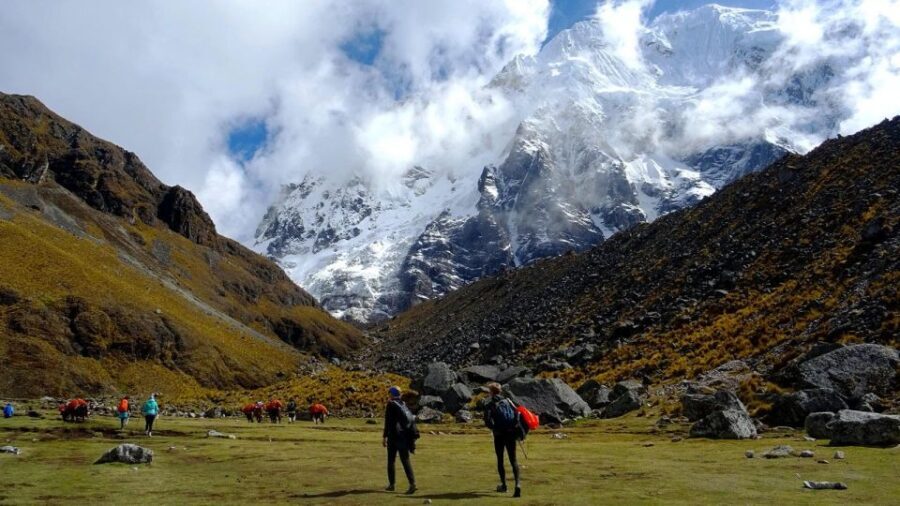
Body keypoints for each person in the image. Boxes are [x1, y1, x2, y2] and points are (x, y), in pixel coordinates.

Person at [484, 382, 521, 497]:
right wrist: (514, 427)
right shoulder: (508, 401)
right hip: (511, 433)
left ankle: (504, 485)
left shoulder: (490, 404)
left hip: (499, 434)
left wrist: (494, 428)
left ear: (491, 392)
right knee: (513, 460)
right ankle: (518, 484)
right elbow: (517, 413)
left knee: (500, 460)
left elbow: (487, 420)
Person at [383, 386, 418, 495]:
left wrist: (384, 436)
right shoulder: (403, 404)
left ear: (392, 394)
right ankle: (412, 483)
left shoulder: (391, 404)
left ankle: (392, 484)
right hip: (404, 437)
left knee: (391, 460)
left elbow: (388, 422)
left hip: (393, 436)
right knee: (405, 460)